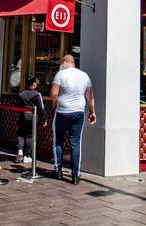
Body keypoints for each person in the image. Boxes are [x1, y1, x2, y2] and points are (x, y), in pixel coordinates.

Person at [49, 52, 95, 185]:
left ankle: (58, 170)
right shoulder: (84, 75)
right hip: (78, 112)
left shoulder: (60, 74)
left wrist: (54, 103)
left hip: (62, 112)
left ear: (64, 62)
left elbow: (53, 93)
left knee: (58, 141)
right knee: (76, 142)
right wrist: (92, 112)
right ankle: (75, 175)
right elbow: (90, 96)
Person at [16, 74, 45, 166]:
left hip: (22, 116)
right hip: (33, 117)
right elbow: (41, 107)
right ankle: (26, 156)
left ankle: (20, 150)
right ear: (34, 84)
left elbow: (18, 106)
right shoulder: (37, 94)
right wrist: (44, 118)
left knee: (21, 134)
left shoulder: (21, 93)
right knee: (29, 136)